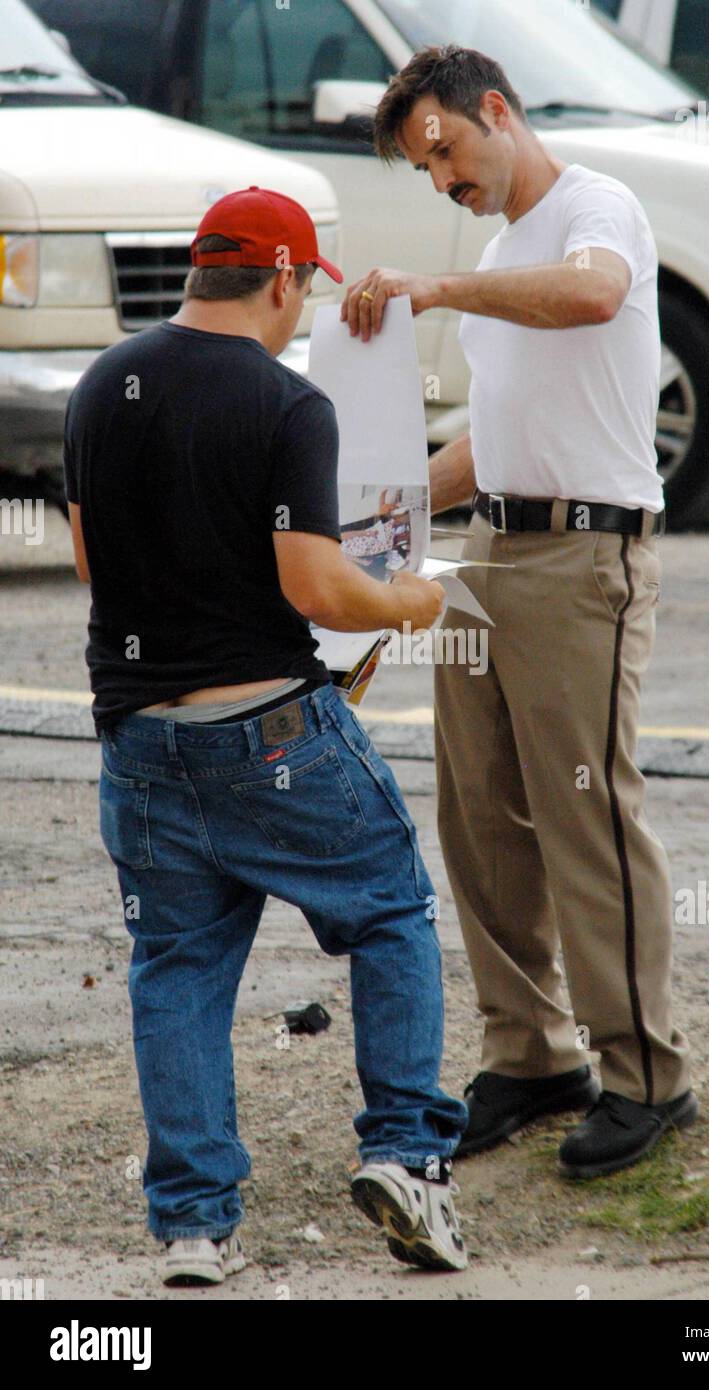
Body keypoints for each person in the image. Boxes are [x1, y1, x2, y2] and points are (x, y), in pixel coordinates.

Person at [64, 186, 468, 1283]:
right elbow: (319, 587)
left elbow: (94, 560)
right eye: (303, 294)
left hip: (140, 743)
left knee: (179, 967)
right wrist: (411, 603)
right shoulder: (288, 404)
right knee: (390, 904)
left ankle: (195, 1225)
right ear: (283, 279)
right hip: (273, 732)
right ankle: (409, 1158)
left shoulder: (102, 385)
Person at [341, 46, 697, 1179]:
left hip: (587, 552)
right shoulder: (499, 251)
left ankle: (648, 1074)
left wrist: (436, 289)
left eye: (443, 150)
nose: (443, 180)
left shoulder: (600, 209)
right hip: (491, 546)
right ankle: (535, 1053)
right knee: (481, 812)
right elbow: (490, 439)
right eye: (423, 172)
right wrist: (364, 513)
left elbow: (591, 294)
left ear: (495, 110)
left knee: (585, 813)